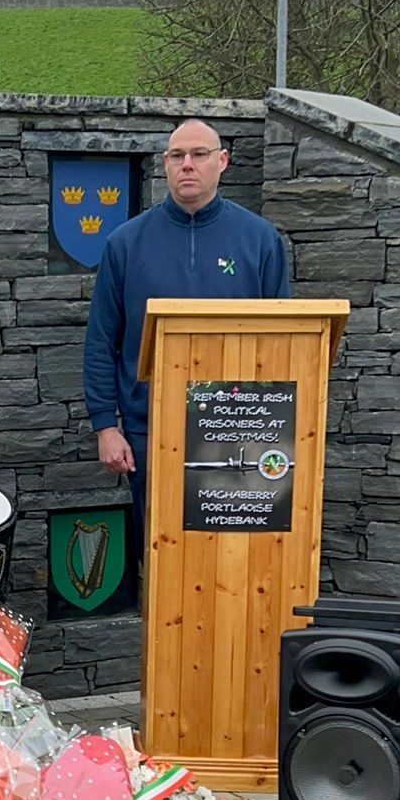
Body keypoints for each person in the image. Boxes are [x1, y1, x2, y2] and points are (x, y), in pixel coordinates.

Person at [83, 118, 290, 558]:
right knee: (162, 558)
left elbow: (284, 343)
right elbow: (102, 341)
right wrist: (106, 425)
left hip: (241, 431)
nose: (187, 165)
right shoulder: (125, 243)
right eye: (177, 156)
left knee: (235, 561)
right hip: (150, 431)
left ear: (223, 161)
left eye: (198, 154)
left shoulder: (260, 241)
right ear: (165, 165)